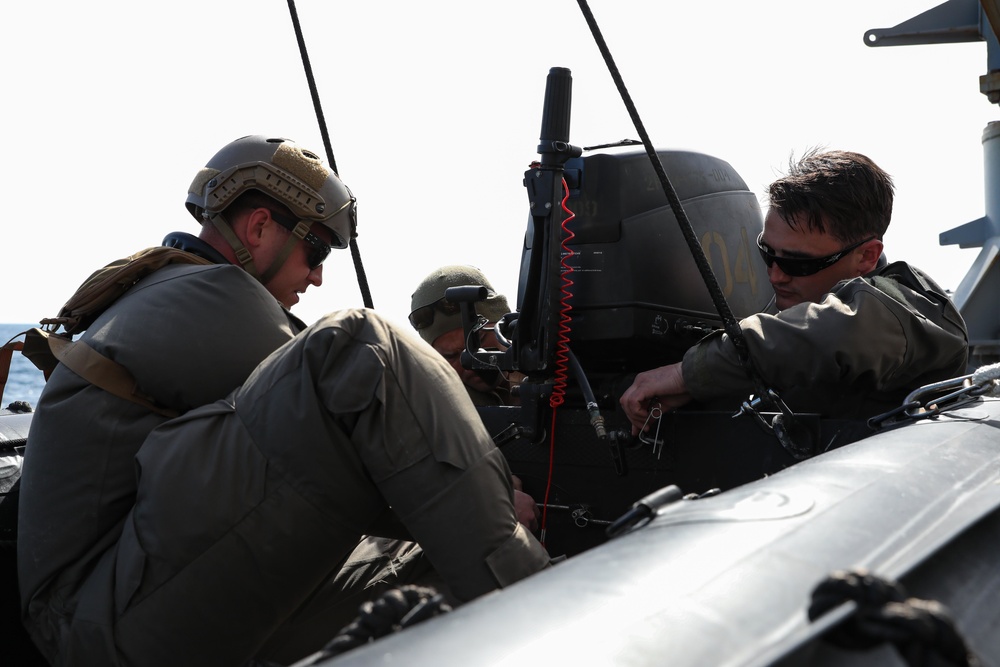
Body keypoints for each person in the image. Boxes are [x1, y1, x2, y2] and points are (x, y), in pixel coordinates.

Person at [17, 136, 549, 666]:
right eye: (315, 250)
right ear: (259, 228)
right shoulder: (207, 299)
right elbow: (363, 390)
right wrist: (499, 504)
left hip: (122, 599)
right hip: (95, 624)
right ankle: (549, 615)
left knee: (428, 566)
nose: (317, 276)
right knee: (362, 344)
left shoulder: (173, 287)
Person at [620, 149, 968, 432]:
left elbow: (835, 333)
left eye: (798, 263)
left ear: (866, 256)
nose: (774, 275)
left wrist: (688, 374)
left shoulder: (912, 307)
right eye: (766, 254)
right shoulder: (786, 313)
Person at [409, 264, 521, 407]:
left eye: (478, 340)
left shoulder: (554, 373)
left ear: (504, 327)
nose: (470, 362)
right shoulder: (435, 407)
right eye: (450, 356)